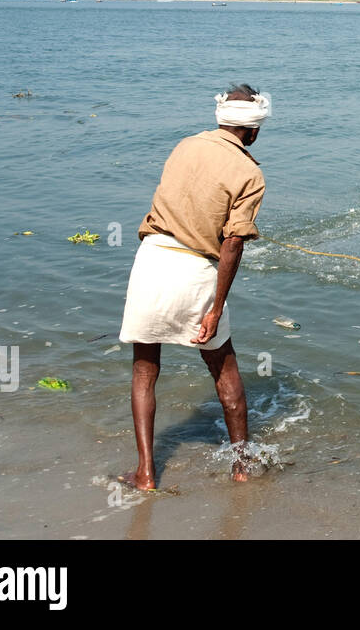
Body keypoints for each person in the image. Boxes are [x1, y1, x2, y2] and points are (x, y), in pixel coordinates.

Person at [118, 84, 270, 488]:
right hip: (198, 269)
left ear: (221, 119)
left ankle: (146, 473)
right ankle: (241, 468)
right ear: (254, 131)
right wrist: (216, 308)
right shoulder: (250, 173)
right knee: (224, 369)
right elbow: (232, 243)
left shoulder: (185, 146)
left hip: (152, 258)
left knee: (145, 369)